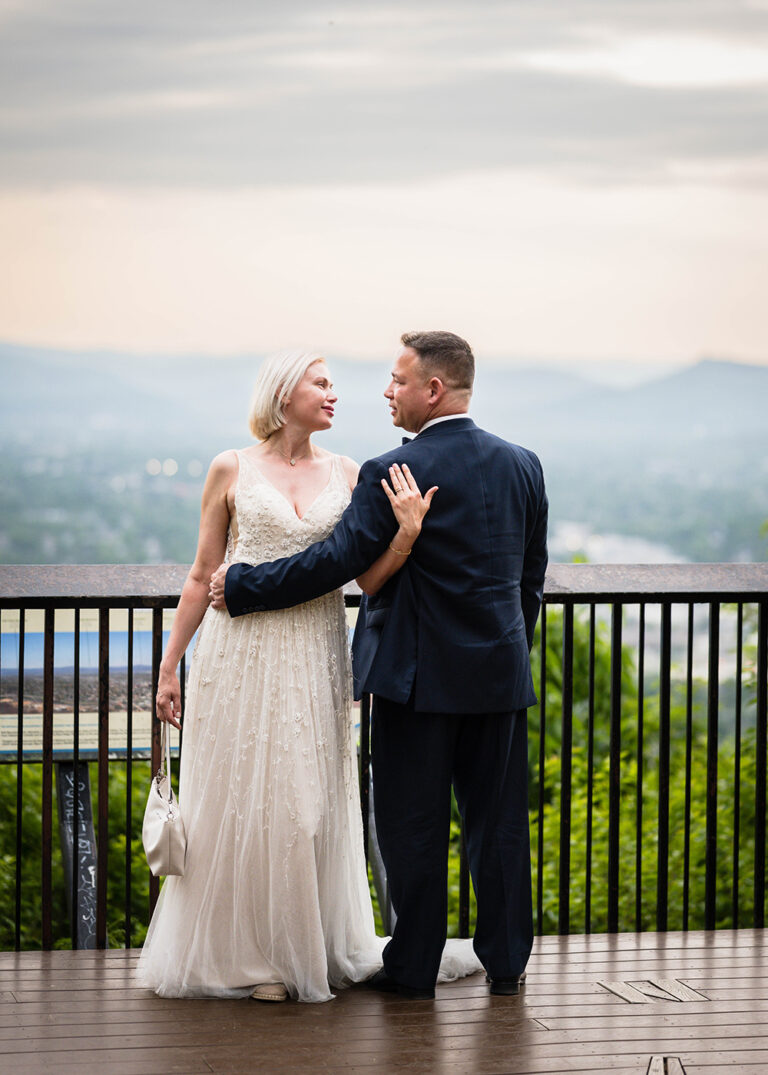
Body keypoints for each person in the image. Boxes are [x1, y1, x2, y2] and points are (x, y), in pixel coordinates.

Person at [210, 330, 548, 1000]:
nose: (386, 392)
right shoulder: (523, 465)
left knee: (412, 829)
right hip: (499, 679)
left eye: (397, 380)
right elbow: (529, 582)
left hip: (414, 682)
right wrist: (508, 647)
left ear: (433, 389)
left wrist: (245, 585)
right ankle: (507, 963)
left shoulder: (394, 470)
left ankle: (414, 966)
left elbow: (337, 563)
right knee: (499, 826)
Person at [136, 348, 461, 1003]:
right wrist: (169, 666)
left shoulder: (349, 472)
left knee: (305, 806)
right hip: (237, 653)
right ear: (285, 394)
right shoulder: (229, 467)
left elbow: (366, 577)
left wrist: (403, 537)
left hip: (314, 651)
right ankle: (252, 958)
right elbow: (202, 574)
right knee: (235, 799)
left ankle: (301, 945)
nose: (335, 393)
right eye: (322, 383)